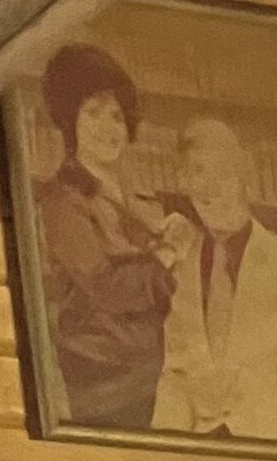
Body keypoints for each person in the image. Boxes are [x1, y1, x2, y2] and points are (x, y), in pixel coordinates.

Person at [153, 112, 277, 445]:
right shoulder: (180, 272)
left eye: (223, 172)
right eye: (198, 171)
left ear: (244, 178)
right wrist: (162, 453)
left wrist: (252, 448)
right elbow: (176, 381)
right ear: (184, 180)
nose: (209, 188)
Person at [32, 43, 174, 432]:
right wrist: (163, 261)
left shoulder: (127, 199)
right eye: (93, 113)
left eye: (116, 116)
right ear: (70, 122)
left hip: (144, 367)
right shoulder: (64, 201)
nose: (108, 128)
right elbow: (104, 288)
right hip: (101, 373)